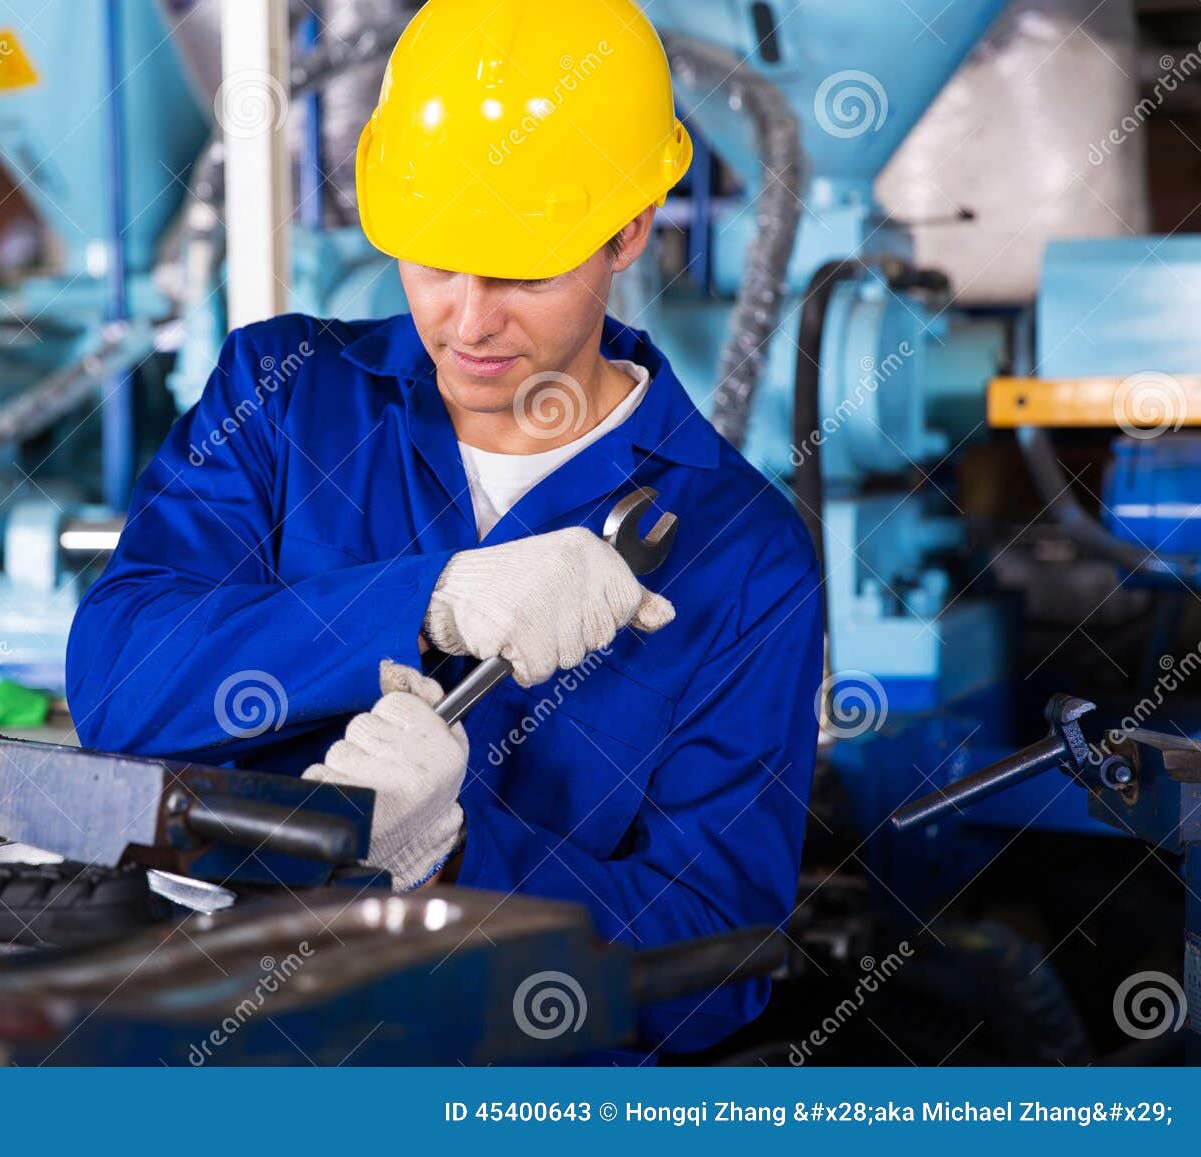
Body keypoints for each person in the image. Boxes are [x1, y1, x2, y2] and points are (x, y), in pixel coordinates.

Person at [67, 0, 824, 1055]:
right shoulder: (284, 398)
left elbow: (718, 965)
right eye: (432, 260)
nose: (467, 321)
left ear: (630, 228)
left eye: (520, 270)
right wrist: (427, 597)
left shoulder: (742, 554)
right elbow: (119, 686)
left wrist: (455, 850)